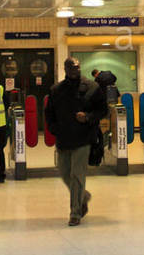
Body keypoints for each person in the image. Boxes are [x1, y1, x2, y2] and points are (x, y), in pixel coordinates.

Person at [45, 57, 107, 226]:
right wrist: (54, 128)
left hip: (83, 138)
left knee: (77, 175)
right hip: (64, 139)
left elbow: (103, 110)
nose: (76, 70)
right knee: (65, 174)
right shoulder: (56, 90)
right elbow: (49, 113)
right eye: (72, 68)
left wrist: (88, 117)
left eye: (78, 68)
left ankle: (75, 213)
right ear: (65, 70)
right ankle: (83, 196)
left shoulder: (92, 88)